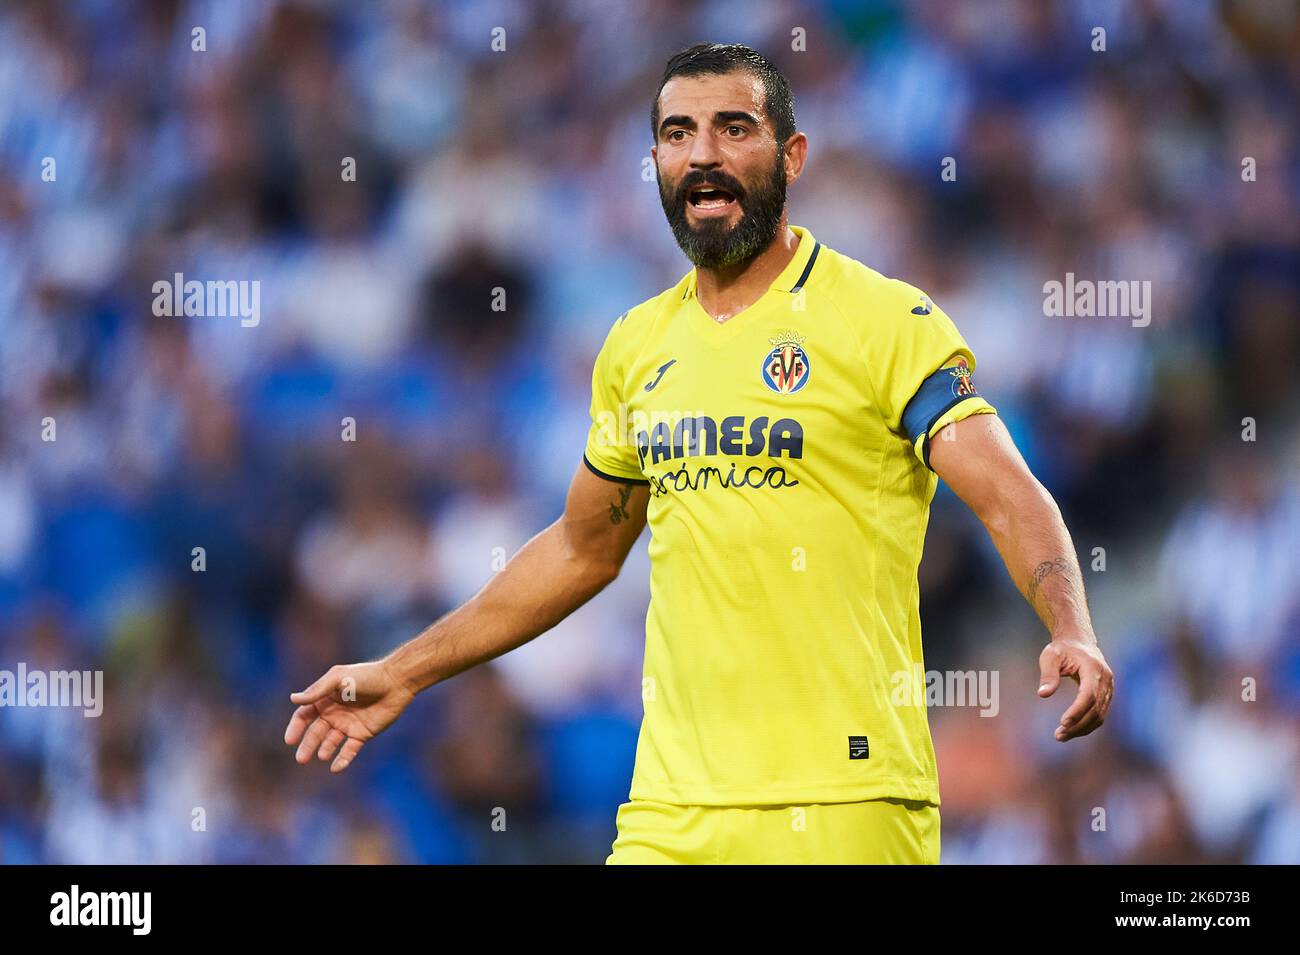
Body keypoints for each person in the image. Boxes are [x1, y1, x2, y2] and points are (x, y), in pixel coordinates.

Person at [284, 43, 1114, 865]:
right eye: (679, 133)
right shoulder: (637, 348)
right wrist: (405, 669)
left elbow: (1008, 492)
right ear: (655, 162)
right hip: (672, 811)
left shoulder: (886, 322)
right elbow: (581, 548)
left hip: (844, 799)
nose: (704, 154)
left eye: (733, 128)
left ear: (792, 155)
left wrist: (1070, 624)